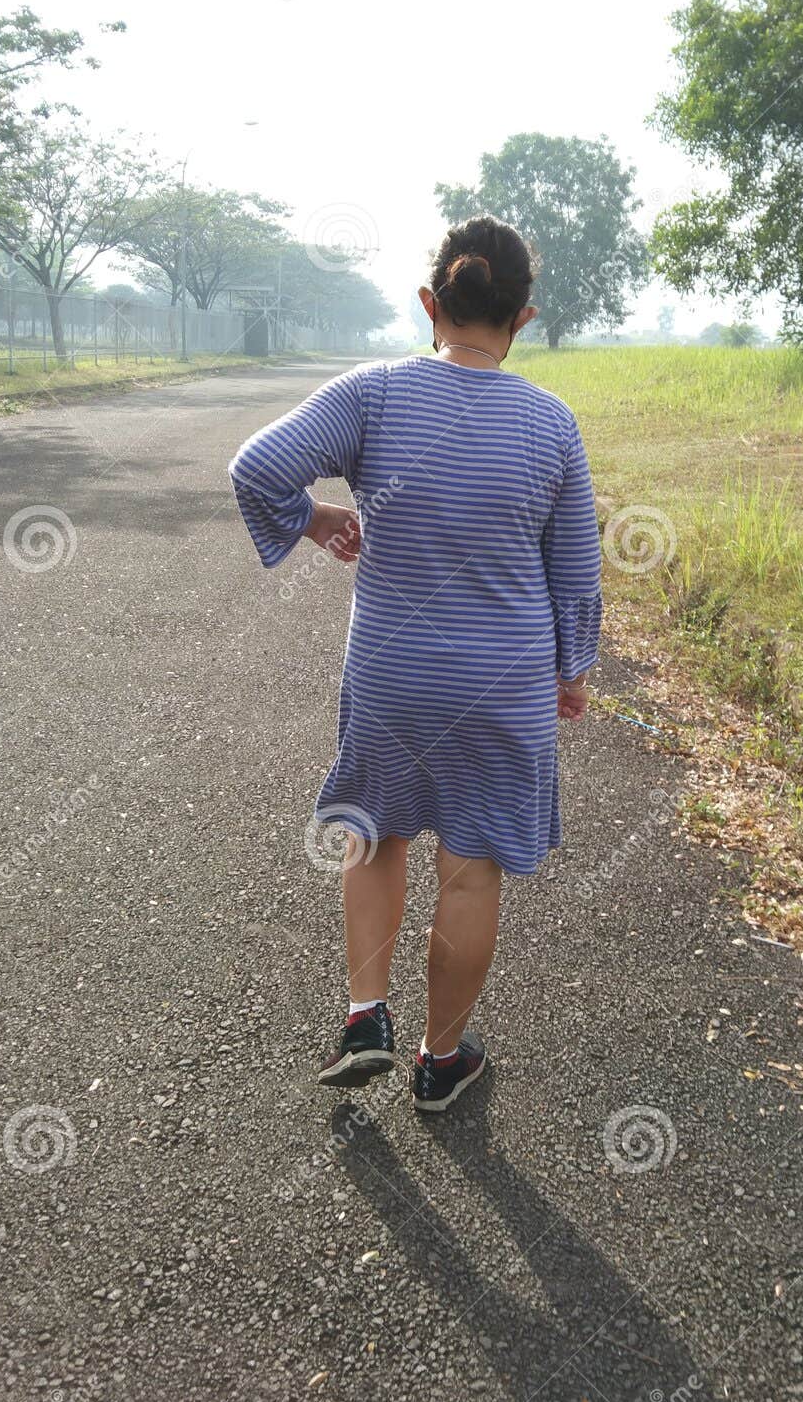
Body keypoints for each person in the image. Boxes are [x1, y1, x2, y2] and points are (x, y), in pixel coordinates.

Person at [228, 215, 602, 1112]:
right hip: (502, 682)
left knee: (376, 831)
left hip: (393, 674)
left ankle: (366, 1017)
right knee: (471, 867)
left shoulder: (374, 394)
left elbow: (256, 468)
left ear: (431, 304)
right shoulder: (551, 422)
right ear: (525, 317)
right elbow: (577, 566)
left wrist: (313, 519)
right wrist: (572, 668)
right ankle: (440, 1063)